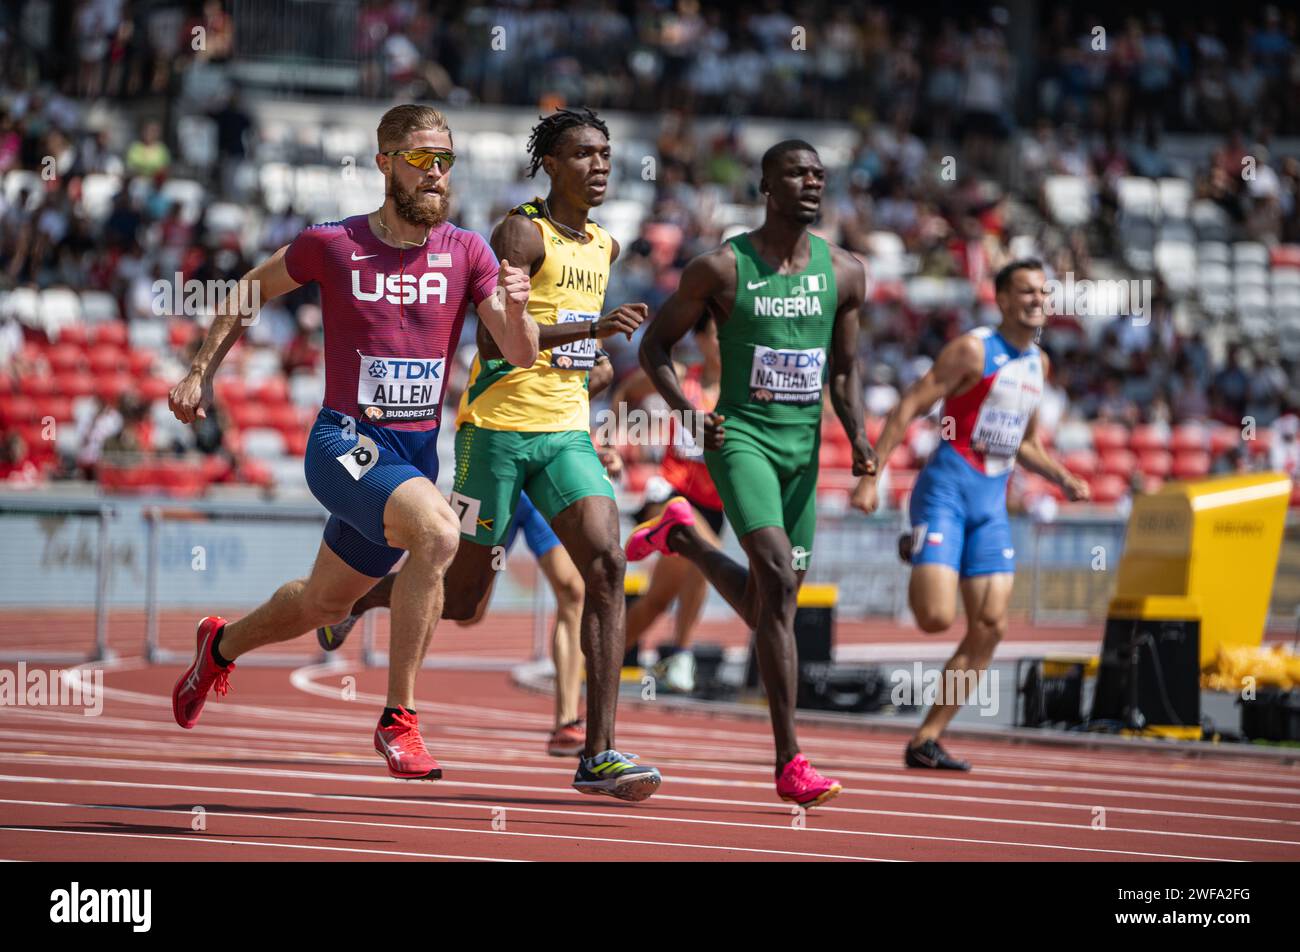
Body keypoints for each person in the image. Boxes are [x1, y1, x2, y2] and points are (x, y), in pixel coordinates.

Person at [167, 104, 538, 783]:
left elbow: (519, 352)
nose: (436, 173)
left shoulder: (466, 252)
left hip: (412, 459)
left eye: (445, 161)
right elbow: (251, 288)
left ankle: (219, 647)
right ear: (385, 162)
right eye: (422, 158)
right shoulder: (333, 245)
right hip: (342, 444)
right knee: (439, 533)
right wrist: (199, 371)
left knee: (323, 603)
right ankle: (400, 720)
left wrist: (517, 306)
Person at [328, 108, 662, 802]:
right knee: (467, 597)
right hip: (497, 434)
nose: (599, 165)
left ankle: (597, 753)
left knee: (606, 562)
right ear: (551, 164)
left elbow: (570, 351)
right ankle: (361, 596)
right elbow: (490, 342)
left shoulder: (606, 245)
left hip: (564, 432)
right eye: (582, 154)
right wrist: (592, 329)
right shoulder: (520, 233)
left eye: (606, 154)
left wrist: (590, 363)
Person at [629, 140, 876, 807]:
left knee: (778, 603)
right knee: (771, 573)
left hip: (803, 453)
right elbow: (654, 345)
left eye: (820, 173)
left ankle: (683, 538)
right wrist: (686, 412)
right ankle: (790, 761)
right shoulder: (722, 269)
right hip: (740, 439)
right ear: (767, 185)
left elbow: (846, 369)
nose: (811, 182)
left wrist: (858, 436)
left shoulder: (845, 272)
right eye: (797, 172)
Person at [318, 353, 620, 758]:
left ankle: (567, 720)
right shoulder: (516, 309)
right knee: (463, 606)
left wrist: (600, 443)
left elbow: (569, 398)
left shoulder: (586, 331)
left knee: (572, 589)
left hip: (543, 482)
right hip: (495, 460)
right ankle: (360, 599)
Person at [852, 258, 1090, 770]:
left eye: (1043, 293)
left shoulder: (1039, 366)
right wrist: (872, 476)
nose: (1037, 301)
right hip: (945, 491)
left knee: (991, 624)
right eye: (1026, 292)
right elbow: (909, 405)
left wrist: (1061, 477)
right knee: (936, 618)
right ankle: (919, 545)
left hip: (992, 502)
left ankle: (926, 738)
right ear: (1002, 299)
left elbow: (1024, 443)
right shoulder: (973, 350)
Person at [614, 314, 727, 693]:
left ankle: (601, 659)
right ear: (701, 340)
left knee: (657, 601)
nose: (726, 344)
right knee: (707, 548)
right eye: (717, 335)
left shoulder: (739, 390)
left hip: (713, 503)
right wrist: (617, 435)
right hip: (669, 491)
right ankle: (682, 652)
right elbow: (629, 388)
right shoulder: (681, 376)